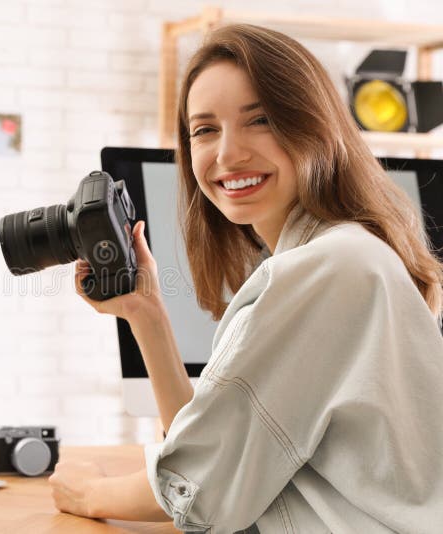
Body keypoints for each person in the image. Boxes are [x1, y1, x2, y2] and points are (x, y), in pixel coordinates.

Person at [48, 24, 443, 533]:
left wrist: (88, 494)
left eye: (260, 120)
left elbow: (201, 488)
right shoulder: (348, 252)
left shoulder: (327, 268)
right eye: (205, 129)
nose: (228, 154)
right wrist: (144, 313)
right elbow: (218, 450)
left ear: (314, 127)